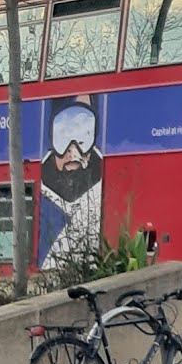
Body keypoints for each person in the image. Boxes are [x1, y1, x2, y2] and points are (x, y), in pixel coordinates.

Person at [37, 95, 104, 269]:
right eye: (64, 135)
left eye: (83, 134)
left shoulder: (102, 188)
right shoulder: (42, 195)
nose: (73, 153)